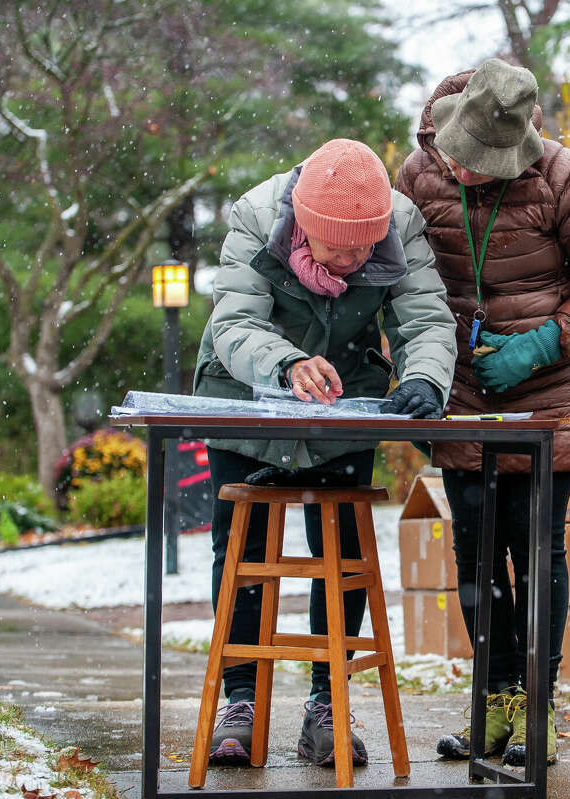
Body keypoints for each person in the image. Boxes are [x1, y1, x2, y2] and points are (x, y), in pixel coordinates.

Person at [396, 59, 570, 766]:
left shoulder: (565, 178)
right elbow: (400, 281)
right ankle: (494, 703)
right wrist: (416, 373)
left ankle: (538, 708)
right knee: (475, 557)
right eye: (458, 158)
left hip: (551, 397)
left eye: (482, 163)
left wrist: (544, 342)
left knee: (534, 554)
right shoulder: (416, 175)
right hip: (465, 394)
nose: (464, 172)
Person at [192, 139, 456, 769]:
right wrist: (285, 364)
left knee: (339, 551)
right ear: (303, 225)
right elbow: (233, 325)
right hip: (248, 395)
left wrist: (424, 380)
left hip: (346, 398)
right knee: (242, 550)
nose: (351, 262)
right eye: (337, 249)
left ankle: (326, 700)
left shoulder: (401, 224)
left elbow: (425, 319)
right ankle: (240, 699)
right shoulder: (256, 218)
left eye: (364, 249)